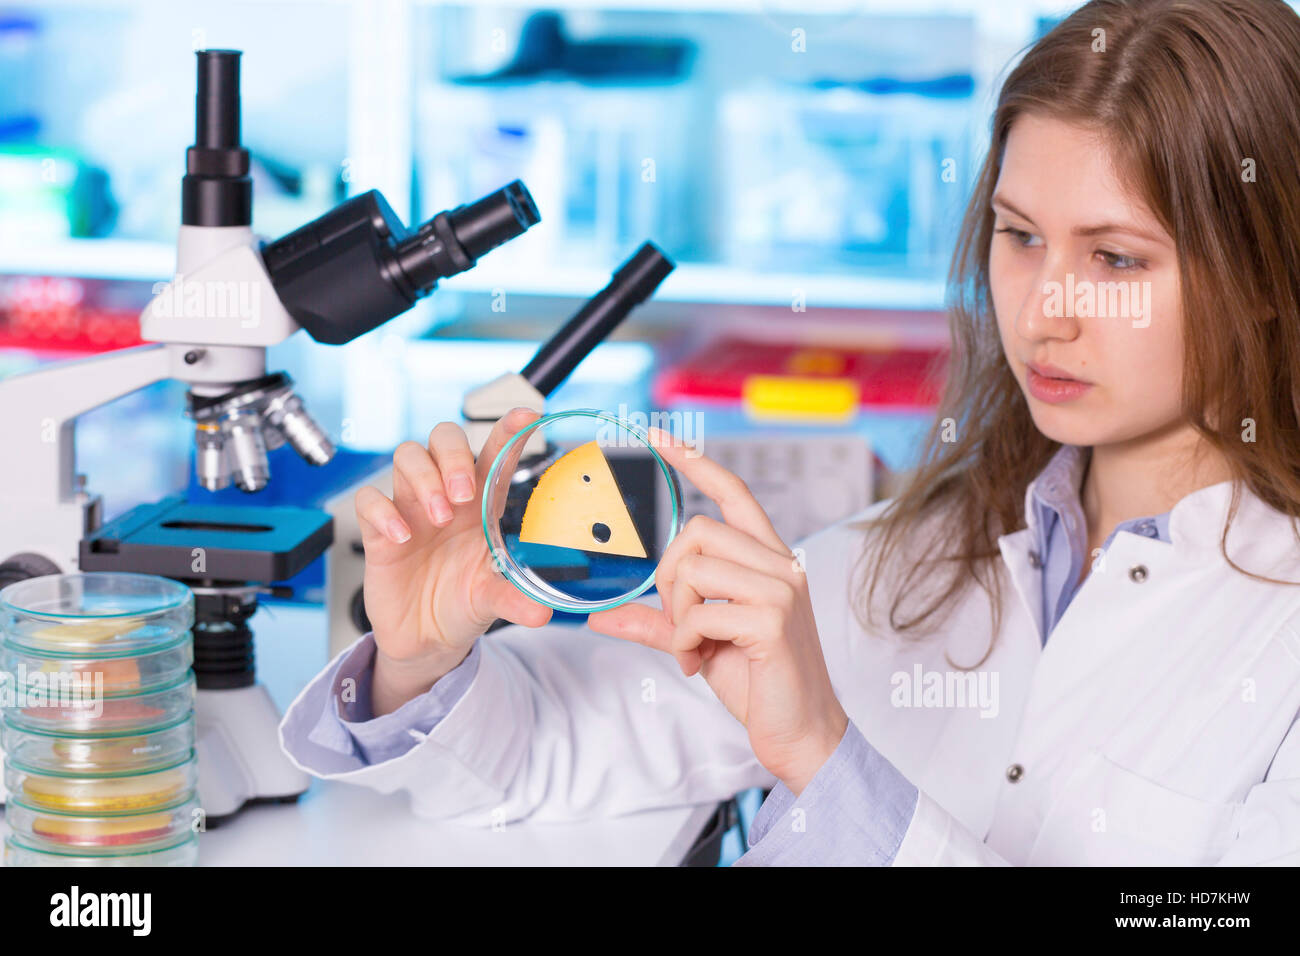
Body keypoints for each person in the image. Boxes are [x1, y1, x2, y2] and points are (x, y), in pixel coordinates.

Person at [279, 0, 1300, 865]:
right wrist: (418, 651)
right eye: (1019, 235)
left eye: (1116, 259)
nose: (1044, 310)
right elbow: (553, 752)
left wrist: (824, 752)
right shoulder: (911, 556)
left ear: (1261, 273)